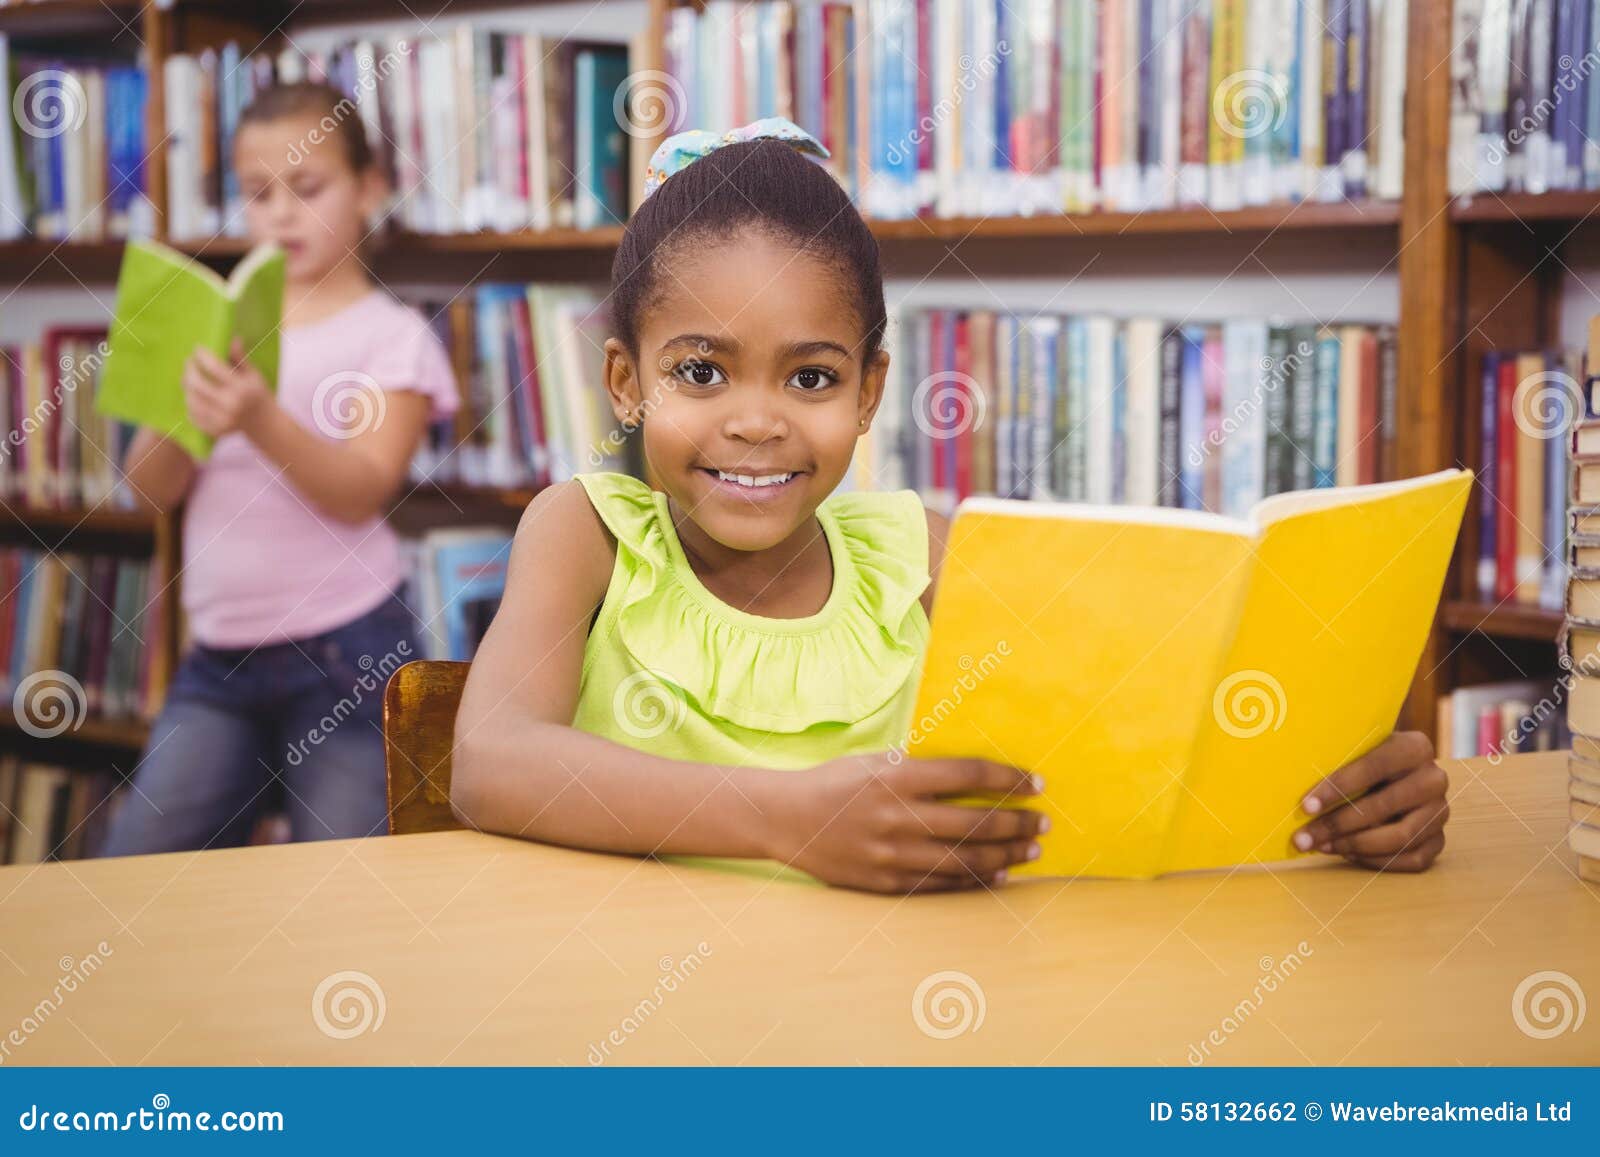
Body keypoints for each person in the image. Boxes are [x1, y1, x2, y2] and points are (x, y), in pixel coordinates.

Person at [450, 118, 1449, 893]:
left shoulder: (920, 551)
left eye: (810, 379)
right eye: (701, 371)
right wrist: (788, 821)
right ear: (626, 384)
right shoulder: (585, 531)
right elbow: (491, 763)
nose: (756, 423)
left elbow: (1116, 745)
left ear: (870, 391)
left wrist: (1338, 789)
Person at [100, 83, 458, 855]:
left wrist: (259, 417)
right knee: (131, 873)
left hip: (348, 655)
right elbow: (151, 489)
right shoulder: (216, 327)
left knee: (343, 887)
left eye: (307, 187)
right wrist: (184, 415)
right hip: (217, 658)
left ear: (369, 189)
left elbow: (363, 489)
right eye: (258, 193)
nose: (281, 213)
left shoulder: (390, 336)